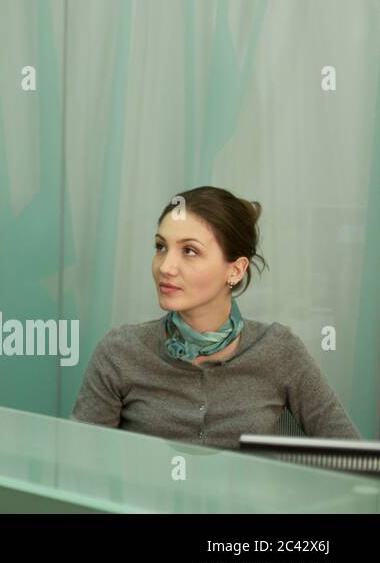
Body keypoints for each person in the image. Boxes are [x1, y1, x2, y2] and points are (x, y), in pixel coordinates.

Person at [72, 186, 360, 449]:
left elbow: (351, 458)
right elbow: (81, 462)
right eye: (161, 247)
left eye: (189, 251)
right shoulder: (120, 351)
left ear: (235, 270)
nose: (166, 267)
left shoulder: (279, 349)